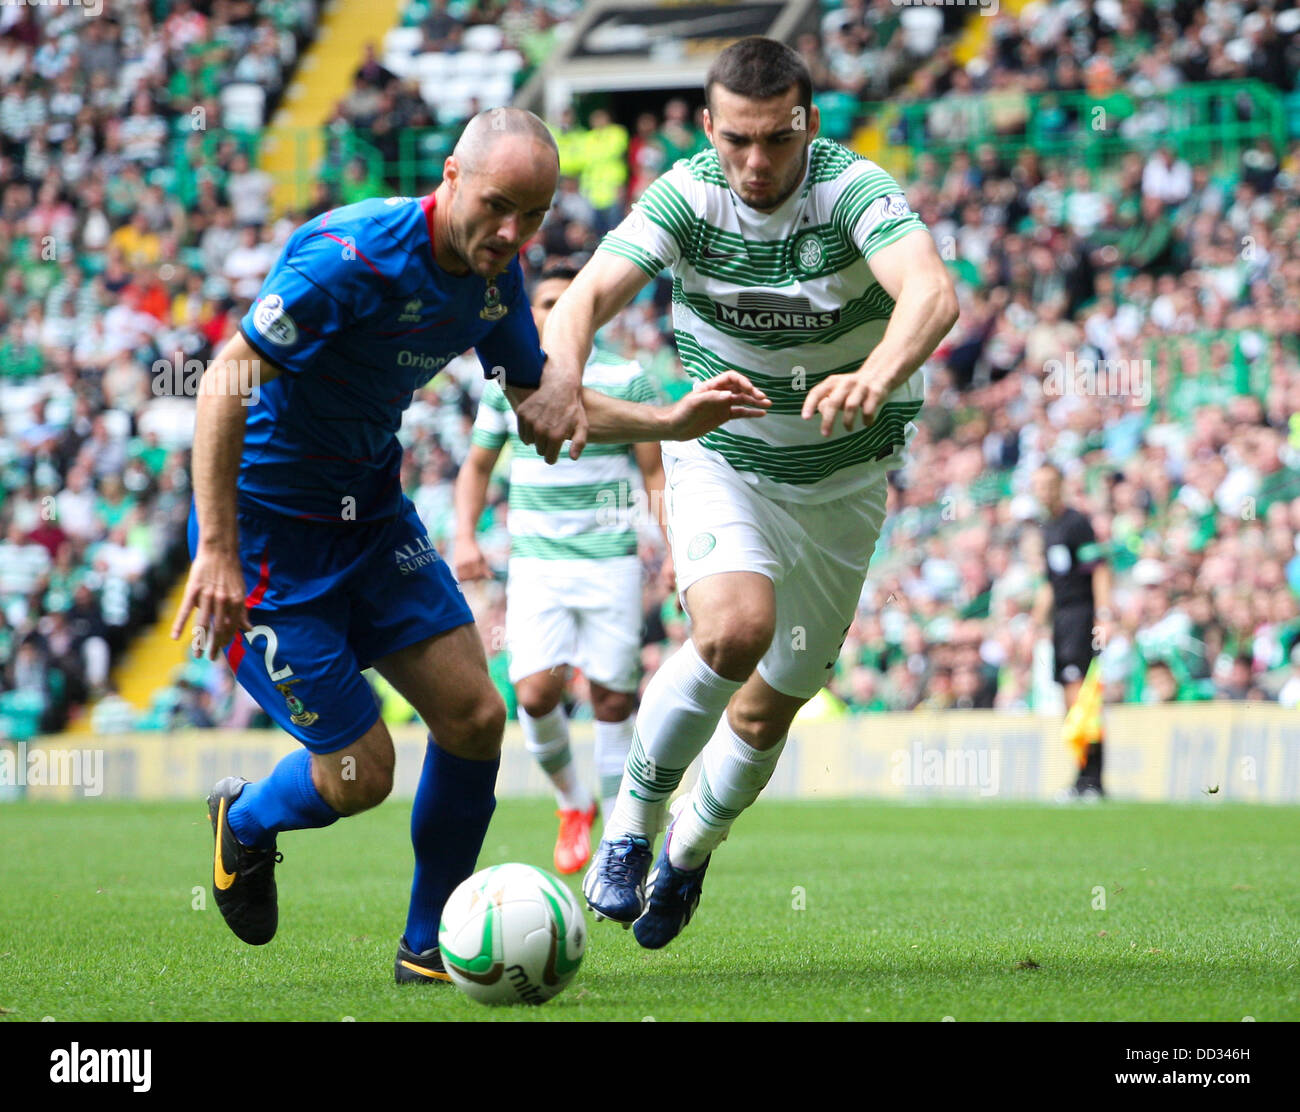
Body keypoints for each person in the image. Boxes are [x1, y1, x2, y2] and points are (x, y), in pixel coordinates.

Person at [171, 107, 767, 982]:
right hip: (266, 542)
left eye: (532, 216)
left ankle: (427, 948)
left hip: (371, 522)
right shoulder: (349, 257)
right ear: (450, 175)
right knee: (360, 773)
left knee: (477, 718)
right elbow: (226, 379)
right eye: (497, 206)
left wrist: (669, 419)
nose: (512, 232)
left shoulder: (494, 282)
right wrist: (217, 548)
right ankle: (247, 822)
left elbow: (545, 406)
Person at [543, 37, 958, 949]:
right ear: (708, 128)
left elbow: (931, 292)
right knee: (734, 631)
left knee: (770, 707)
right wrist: (561, 379)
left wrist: (877, 374)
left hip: (843, 481)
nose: (756, 162)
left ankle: (688, 852)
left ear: (809, 124)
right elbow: (583, 299)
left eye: (776, 138)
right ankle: (629, 830)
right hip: (722, 457)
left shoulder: (852, 190)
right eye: (736, 140)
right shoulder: (686, 196)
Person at [454, 263, 673, 876]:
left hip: (610, 563)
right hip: (537, 566)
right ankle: (574, 802)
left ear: (590, 310)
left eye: (566, 301)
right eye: (544, 302)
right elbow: (477, 466)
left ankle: (618, 837)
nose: (553, 312)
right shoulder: (506, 380)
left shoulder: (627, 378)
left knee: (611, 699)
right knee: (534, 692)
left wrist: (676, 548)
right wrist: (465, 535)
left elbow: (654, 470)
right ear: (530, 311)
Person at [1031, 463, 1113, 798]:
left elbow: (1099, 569)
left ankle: (1092, 779)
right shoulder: (1048, 528)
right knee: (1070, 701)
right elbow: (1051, 583)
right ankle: (1082, 779)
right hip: (1061, 621)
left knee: (1081, 698)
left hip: (1081, 615)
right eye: (1038, 485)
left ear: (1061, 485)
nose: (1043, 491)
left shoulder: (1076, 523)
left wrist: (1103, 615)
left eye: (1049, 484)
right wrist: (1036, 622)